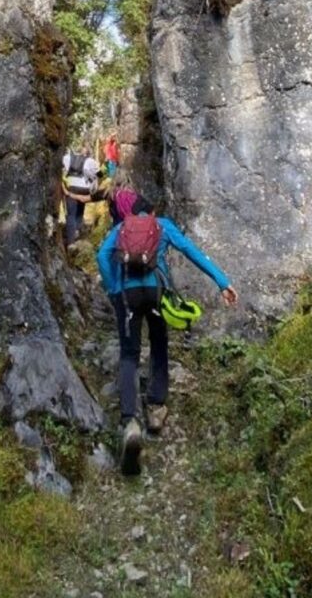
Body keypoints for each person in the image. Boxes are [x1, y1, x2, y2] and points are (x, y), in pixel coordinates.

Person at [96, 199, 238, 474]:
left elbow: (102, 256)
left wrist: (114, 289)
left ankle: (130, 422)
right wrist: (222, 281)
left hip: (128, 295)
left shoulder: (121, 228)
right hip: (156, 293)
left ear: (132, 214)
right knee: (159, 344)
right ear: (151, 212)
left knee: (129, 354)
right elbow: (190, 250)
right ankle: (156, 409)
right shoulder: (162, 225)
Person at [62, 145, 100, 247]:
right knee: (80, 211)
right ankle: (78, 232)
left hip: (71, 186)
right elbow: (99, 173)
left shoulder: (67, 158)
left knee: (71, 215)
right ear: (87, 153)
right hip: (84, 188)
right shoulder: (91, 161)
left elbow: (60, 168)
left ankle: (71, 242)